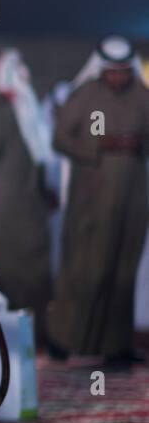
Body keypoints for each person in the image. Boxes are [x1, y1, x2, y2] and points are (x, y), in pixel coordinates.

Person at [49, 36, 149, 369]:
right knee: (84, 269)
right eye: (112, 72)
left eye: (124, 72)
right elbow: (61, 138)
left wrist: (135, 144)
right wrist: (100, 144)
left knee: (122, 271)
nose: (119, 78)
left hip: (131, 198)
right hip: (91, 200)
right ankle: (64, 339)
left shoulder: (141, 96)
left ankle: (115, 344)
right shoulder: (86, 95)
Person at [0, 49, 55, 344]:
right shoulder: (26, 108)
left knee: (3, 277)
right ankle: (31, 338)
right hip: (27, 209)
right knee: (29, 275)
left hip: (2, 211)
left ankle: (3, 342)